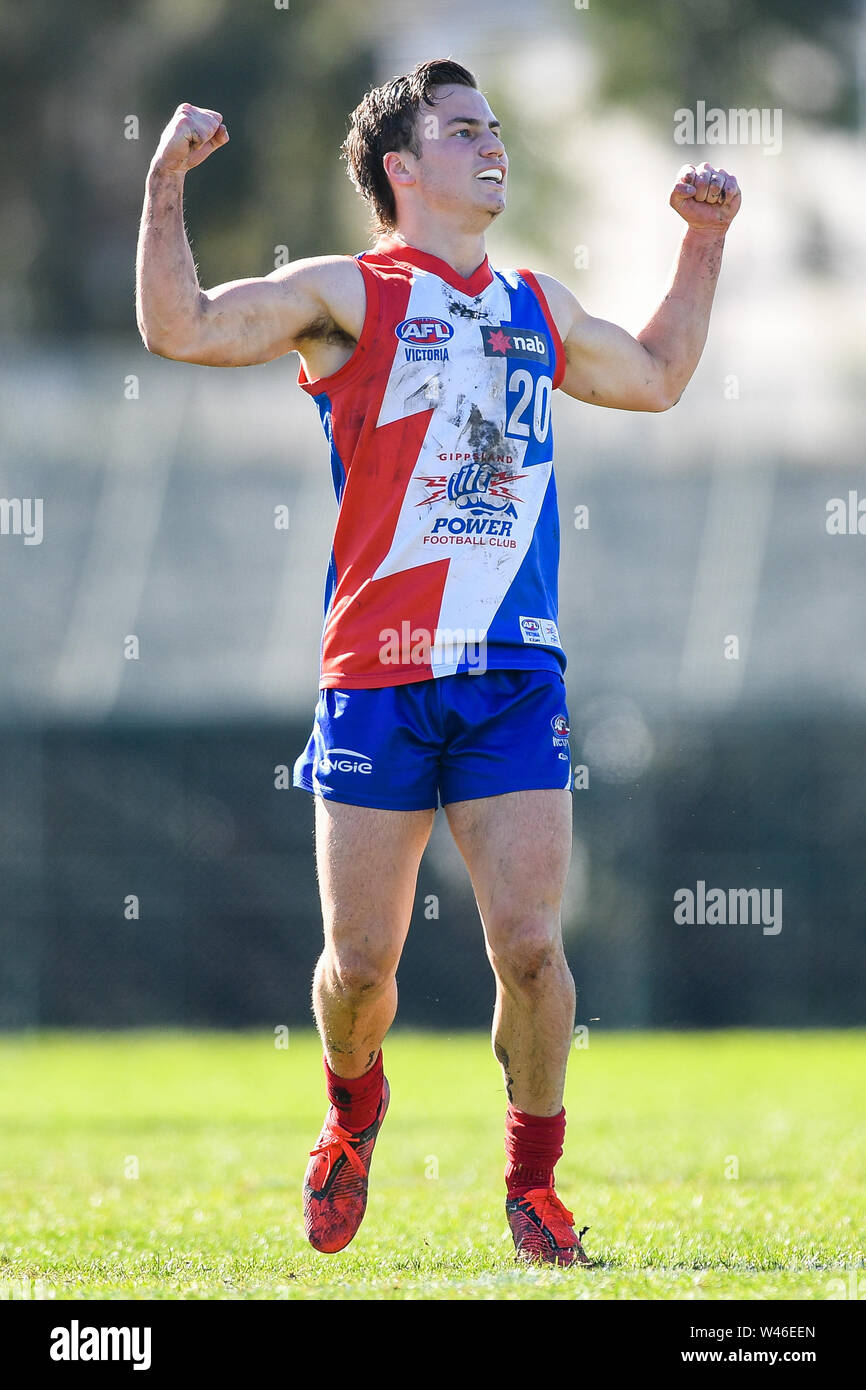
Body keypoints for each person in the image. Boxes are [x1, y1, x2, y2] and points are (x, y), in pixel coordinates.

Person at [136, 57, 740, 1267]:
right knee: (359, 973)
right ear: (401, 170)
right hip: (376, 675)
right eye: (463, 130)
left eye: (495, 126)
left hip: (514, 676)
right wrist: (163, 189)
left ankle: (533, 1186)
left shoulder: (535, 303)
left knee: (528, 947)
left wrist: (703, 241)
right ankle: (350, 1114)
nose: (492, 143)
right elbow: (180, 328)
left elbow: (661, 377)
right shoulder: (348, 293)